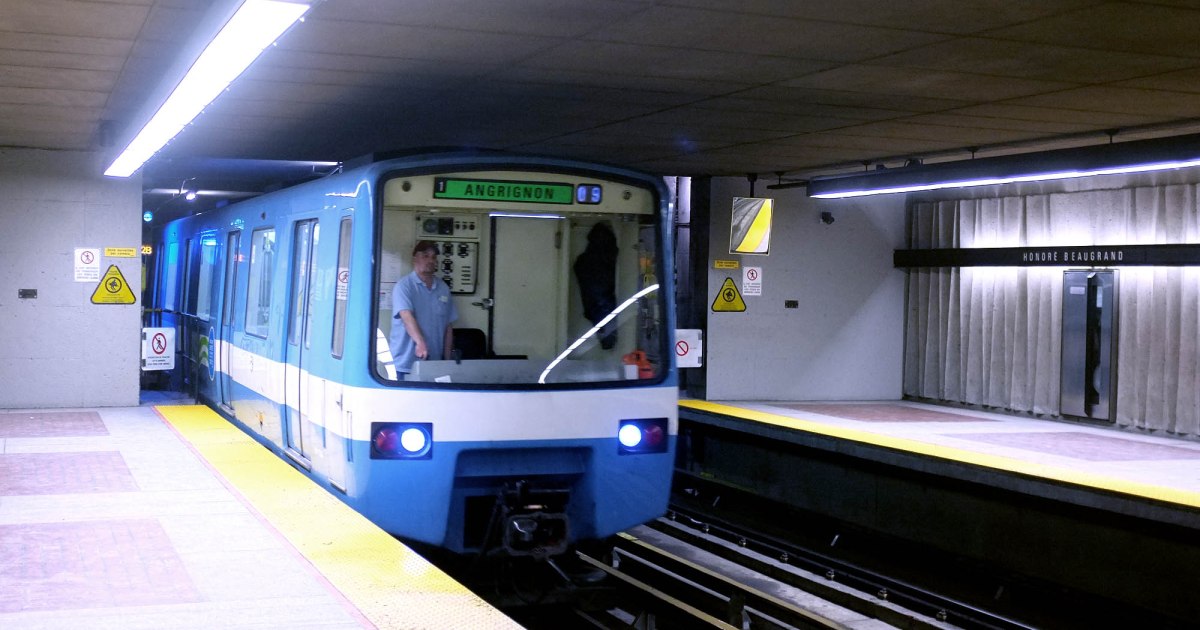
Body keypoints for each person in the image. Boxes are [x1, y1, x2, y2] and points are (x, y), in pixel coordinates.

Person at [389, 240, 457, 379]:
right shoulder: (404, 286)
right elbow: (407, 317)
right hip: (405, 365)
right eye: (425, 256)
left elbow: (448, 326)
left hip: (434, 364)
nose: (430, 260)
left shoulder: (443, 288)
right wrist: (420, 343)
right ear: (415, 258)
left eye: (433, 257)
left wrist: (448, 360)